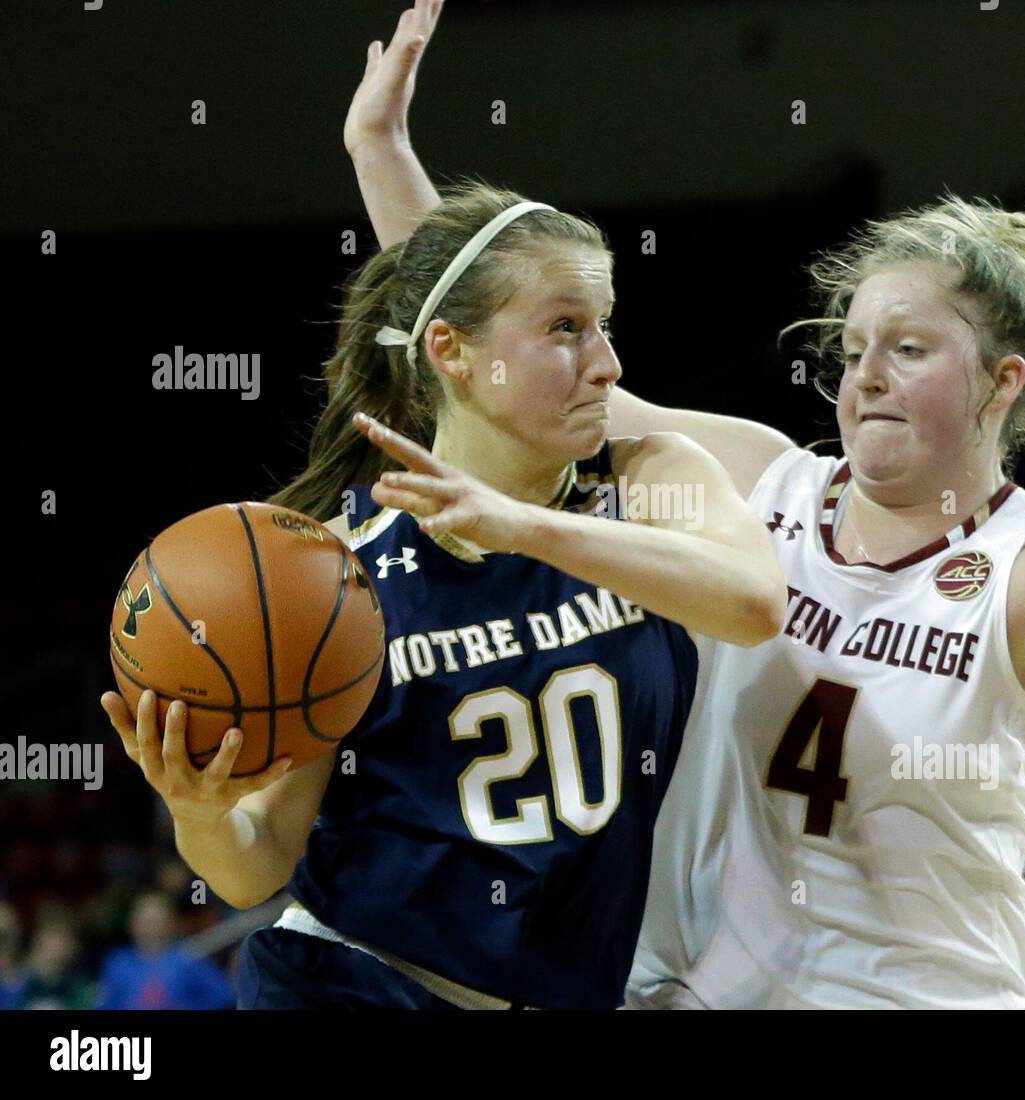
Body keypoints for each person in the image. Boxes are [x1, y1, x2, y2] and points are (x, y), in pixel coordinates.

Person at [348, 1, 1025, 1008]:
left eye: (909, 349)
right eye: (851, 351)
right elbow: (529, 367)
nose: (865, 378)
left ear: (1003, 382)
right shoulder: (757, 479)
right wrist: (379, 151)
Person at [101, 177, 786, 1009]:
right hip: (356, 985)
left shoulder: (648, 479)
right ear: (453, 351)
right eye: (565, 327)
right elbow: (256, 865)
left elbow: (753, 603)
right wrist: (199, 811)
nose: (606, 363)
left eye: (605, 326)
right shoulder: (340, 575)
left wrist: (524, 528)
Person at [97, 891, 234, 1009]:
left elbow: (224, 995)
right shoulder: (118, 962)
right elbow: (106, 1004)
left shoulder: (187, 959)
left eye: (155, 921)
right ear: (132, 924)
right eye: (145, 921)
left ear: (170, 924)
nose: (150, 927)